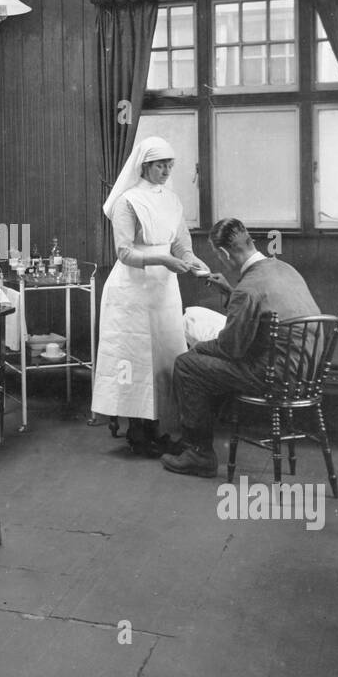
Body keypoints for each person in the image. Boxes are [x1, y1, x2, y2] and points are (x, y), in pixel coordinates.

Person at [161, 217, 320, 478]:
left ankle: (199, 453)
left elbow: (230, 347)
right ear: (250, 241)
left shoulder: (247, 288)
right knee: (201, 361)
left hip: (275, 375)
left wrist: (199, 347)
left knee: (187, 364)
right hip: (305, 370)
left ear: (223, 253)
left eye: (218, 255)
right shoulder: (283, 268)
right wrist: (231, 292)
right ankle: (196, 440)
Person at [91, 136, 210, 456]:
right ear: (144, 165)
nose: (166, 170)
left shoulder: (171, 199)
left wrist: (192, 259)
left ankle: (158, 428)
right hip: (132, 290)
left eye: (170, 165)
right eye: (160, 165)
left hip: (163, 290)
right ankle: (137, 431)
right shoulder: (127, 202)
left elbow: (181, 241)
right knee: (134, 359)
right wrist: (164, 260)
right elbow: (125, 253)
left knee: (164, 357)